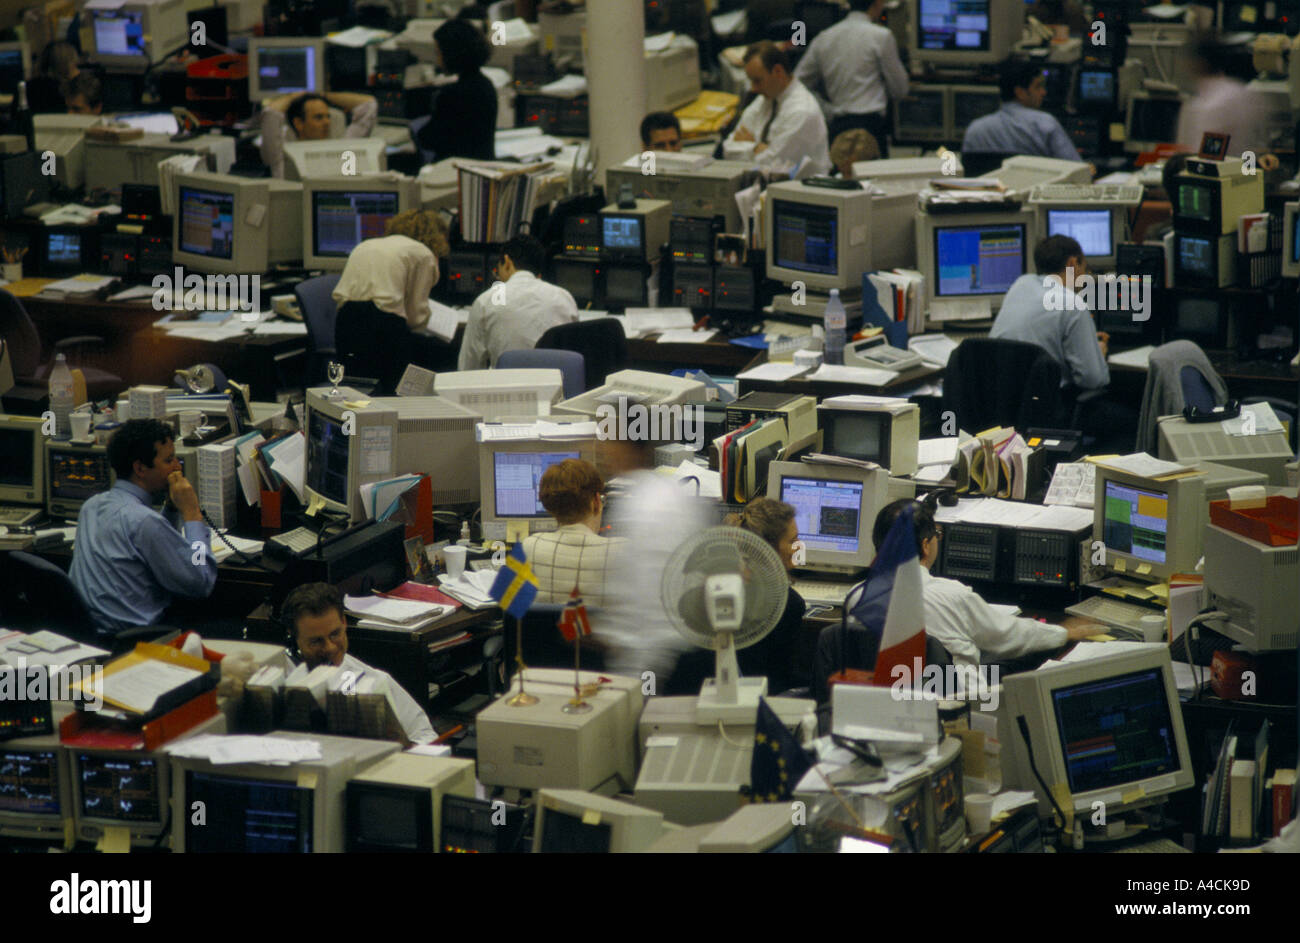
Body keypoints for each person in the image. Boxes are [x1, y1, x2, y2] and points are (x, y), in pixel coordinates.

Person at [871, 499, 1099, 668]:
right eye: (936, 535)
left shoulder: (856, 599)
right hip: (958, 703)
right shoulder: (952, 596)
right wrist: (1063, 632)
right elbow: (1008, 635)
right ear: (925, 546)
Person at [70, 419, 216, 637]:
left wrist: (173, 508)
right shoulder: (144, 522)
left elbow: (161, 547)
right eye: (168, 460)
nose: (177, 466)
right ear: (140, 468)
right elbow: (200, 580)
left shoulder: (91, 507)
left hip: (91, 635)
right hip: (139, 641)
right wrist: (192, 513)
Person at [281, 583, 436, 745]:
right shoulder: (278, 679)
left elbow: (425, 735)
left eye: (335, 634)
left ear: (344, 622)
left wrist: (403, 744)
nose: (330, 648)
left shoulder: (372, 679)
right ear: (293, 637)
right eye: (316, 641)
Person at [332, 208, 451, 394]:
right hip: (384, 326)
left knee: (356, 391)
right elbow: (416, 317)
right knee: (394, 391)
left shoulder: (366, 245)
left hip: (346, 321)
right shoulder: (423, 253)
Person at [991, 234, 1109, 391]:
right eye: (1085, 269)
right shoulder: (1073, 304)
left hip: (1004, 401)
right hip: (1050, 406)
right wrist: (1097, 353)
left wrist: (1084, 342)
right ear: (1073, 263)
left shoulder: (1020, 285)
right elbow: (1094, 380)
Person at [793, 0, 908, 157]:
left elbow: (797, 83)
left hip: (837, 125)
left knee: (840, 178)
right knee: (872, 179)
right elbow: (900, 89)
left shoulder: (824, 37)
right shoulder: (881, 36)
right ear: (877, 3)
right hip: (872, 128)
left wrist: (826, 108)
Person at [457, 235, 579, 370]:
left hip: (505, 387)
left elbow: (468, 367)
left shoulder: (486, 300)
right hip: (554, 385)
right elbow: (574, 358)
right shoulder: (564, 297)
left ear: (507, 262)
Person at [725, 498, 806, 694]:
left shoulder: (723, 584)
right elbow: (783, 677)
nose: (799, 546)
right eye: (793, 541)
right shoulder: (788, 603)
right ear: (769, 548)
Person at [521, 459, 622, 607]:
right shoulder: (622, 551)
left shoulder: (528, 546)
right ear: (596, 501)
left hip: (546, 631)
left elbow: (508, 608)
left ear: (549, 505)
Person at [724, 41, 831, 176]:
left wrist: (752, 144)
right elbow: (728, 148)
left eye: (757, 80)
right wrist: (758, 148)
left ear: (778, 72)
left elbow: (772, 167)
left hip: (801, 192)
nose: (753, 88)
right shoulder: (767, 99)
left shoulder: (802, 111)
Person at [962, 59, 1081, 162]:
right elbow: (1075, 169)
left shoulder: (975, 129)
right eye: (1038, 86)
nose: (1043, 92)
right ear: (1020, 92)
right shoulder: (1045, 124)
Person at [1177, 38, 1273, 162]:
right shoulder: (1242, 92)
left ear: (1199, 63)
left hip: (1222, 176)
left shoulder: (1212, 105)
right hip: (1249, 172)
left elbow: (1207, 160)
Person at [417, 19, 496, 161]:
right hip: (481, 166)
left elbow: (428, 139)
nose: (438, 61)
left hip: (453, 170)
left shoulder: (452, 94)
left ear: (451, 54)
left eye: (438, 53)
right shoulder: (487, 85)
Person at [259, 90, 378, 178]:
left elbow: (369, 105)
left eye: (328, 117)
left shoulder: (342, 150)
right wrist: (294, 96)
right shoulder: (282, 157)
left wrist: (323, 95)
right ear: (299, 123)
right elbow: (271, 113)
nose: (327, 122)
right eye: (319, 117)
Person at [28, 40, 80, 113]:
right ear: (67, 65)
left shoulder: (27, 88)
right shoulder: (66, 94)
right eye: (75, 65)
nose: (78, 71)